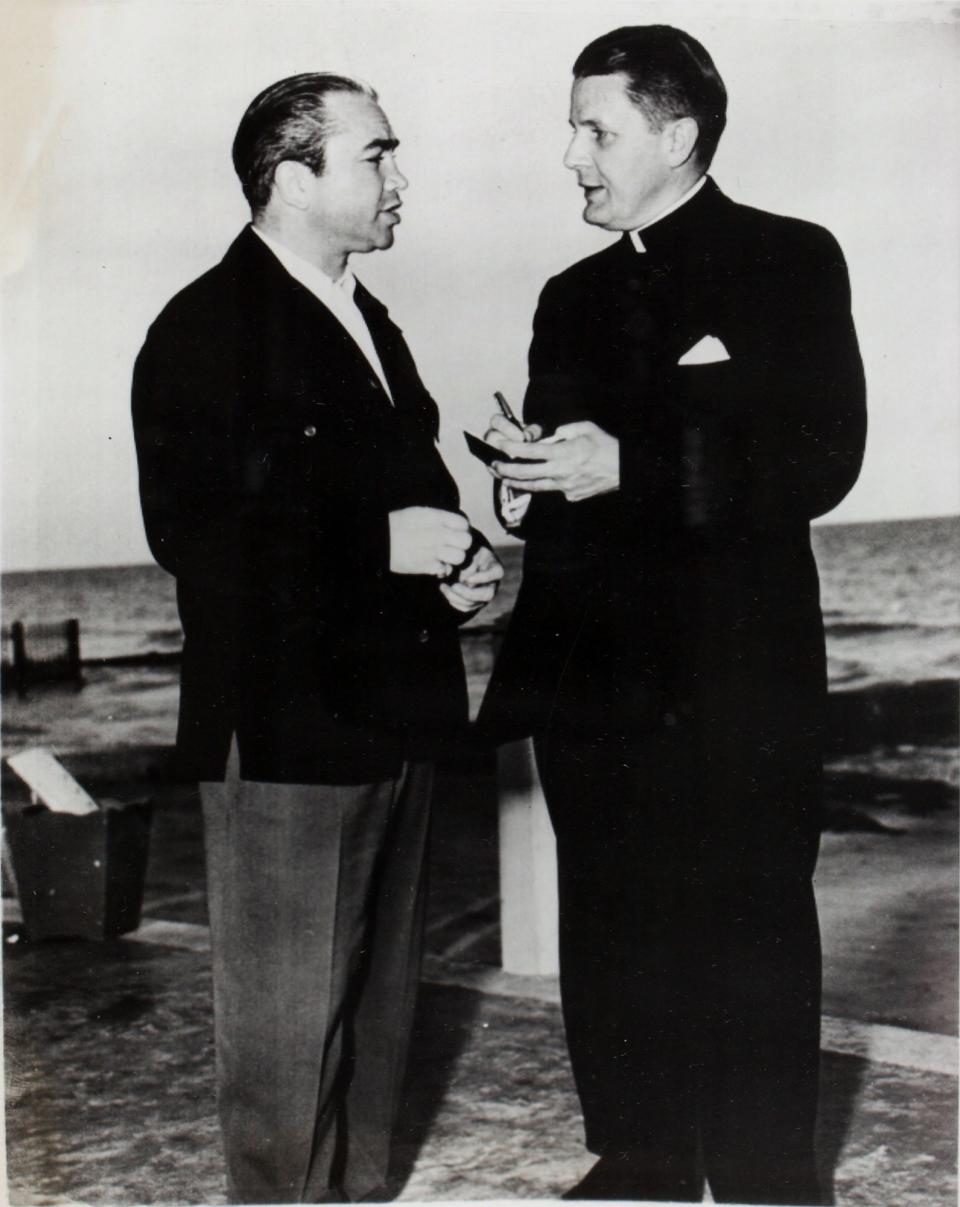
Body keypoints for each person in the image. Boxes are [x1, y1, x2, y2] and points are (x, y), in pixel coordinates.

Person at [478, 25, 866, 1206]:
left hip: (737, 682)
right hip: (593, 684)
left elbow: (820, 457)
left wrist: (631, 463)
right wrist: (524, 478)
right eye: (573, 131)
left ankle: (763, 1177)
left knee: (750, 925)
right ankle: (639, 1154)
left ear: (678, 134)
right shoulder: (567, 296)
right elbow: (569, 485)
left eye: (596, 131)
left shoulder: (792, 260)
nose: (571, 157)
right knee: (609, 924)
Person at [132, 73, 501, 1204]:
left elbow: (410, 490)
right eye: (377, 154)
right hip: (289, 732)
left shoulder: (366, 317)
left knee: (379, 1019)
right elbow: (193, 530)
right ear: (294, 179)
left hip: (398, 717)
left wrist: (458, 568)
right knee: (288, 1046)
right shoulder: (206, 328)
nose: (400, 178)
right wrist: (383, 543)